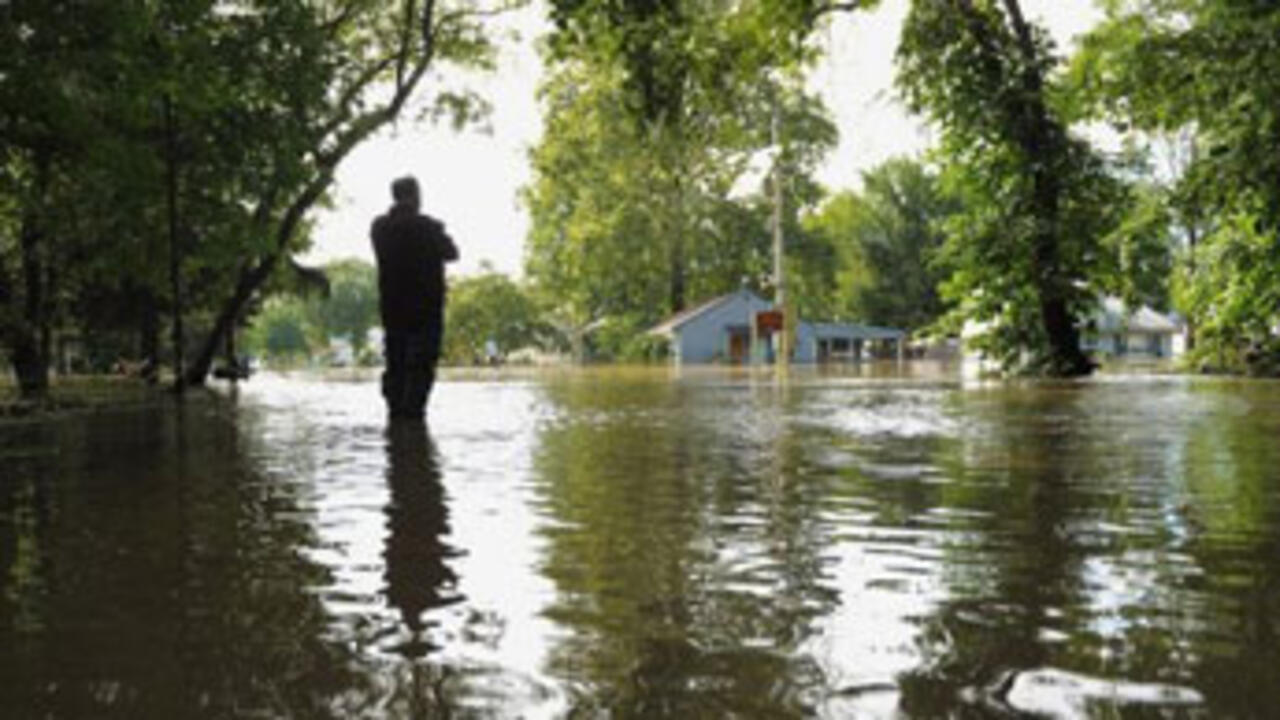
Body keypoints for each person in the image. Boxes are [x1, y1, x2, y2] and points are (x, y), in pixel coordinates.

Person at [371, 176, 459, 420]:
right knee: (422, 365)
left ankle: (397, 424)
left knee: (395, 362)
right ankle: (414, 422)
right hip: (426, 308)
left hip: (392, 307)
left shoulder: (379, 227)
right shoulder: (428, 227)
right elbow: (453, 253)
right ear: (415, 196)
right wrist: (438, 229)